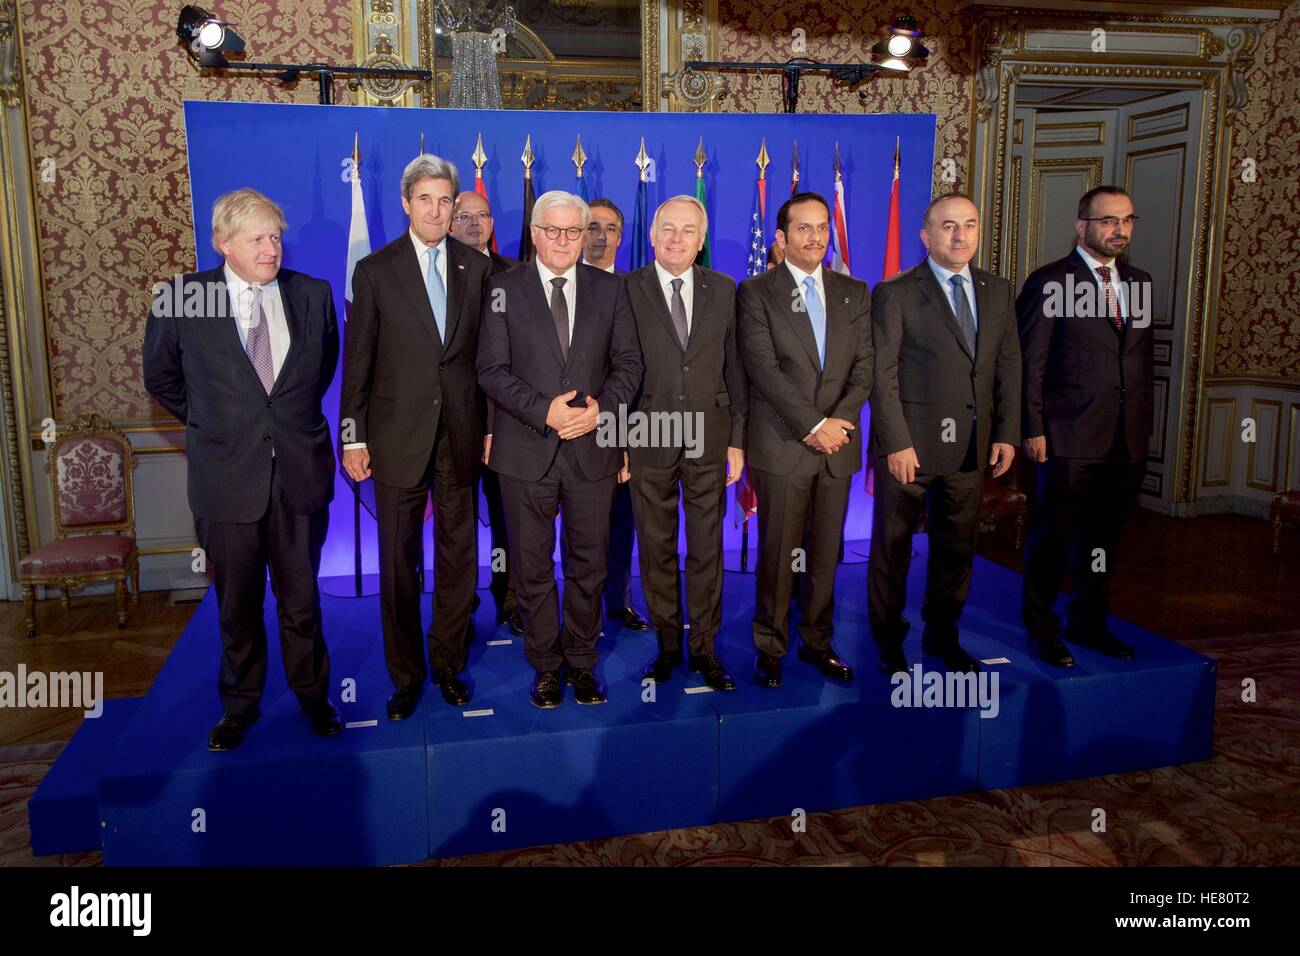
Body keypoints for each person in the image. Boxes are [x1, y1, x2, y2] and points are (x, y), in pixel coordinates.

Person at [143, 188, 342, 750]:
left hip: (298, 477)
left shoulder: (312, 295)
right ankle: (240, 706)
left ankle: (313, 697)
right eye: (257, 239)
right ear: (222, 243)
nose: (271, 248)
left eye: (276, 236)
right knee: (237, 604)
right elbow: (161, 381)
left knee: (302, 600)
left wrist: (278, 426)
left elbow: (318, 372)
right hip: (225, 479)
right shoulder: (181, 299)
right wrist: (219, 422)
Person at [477, 191, 644, 708]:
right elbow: (490, 370)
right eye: (553, 230)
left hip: (593, 447)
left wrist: (602, 411)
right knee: (531, 565)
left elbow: (630, 365)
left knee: (588, 563)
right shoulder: (502, 288)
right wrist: (544, 410)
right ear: (534, 233)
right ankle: (546, 665)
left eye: (575, 231)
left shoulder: (611, 290)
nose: (565, 240)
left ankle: (582, 660)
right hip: (525, 450)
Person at [339, 154, 491, 719]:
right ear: (406, 203)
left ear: (455, 206)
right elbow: (359, 364)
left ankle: (448, 663)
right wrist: (353, 437)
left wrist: (492, 428)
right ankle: (405, 675)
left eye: (444, 200)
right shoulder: (376, 271)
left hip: (462, 435)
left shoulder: (477, 270)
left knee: (459, 559)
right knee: (398, 562)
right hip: (394, 438)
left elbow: (490, 362)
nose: (435, 209)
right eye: (424, 199)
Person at [868, 192, 1021, 675]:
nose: (960, 235)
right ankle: (889, 640)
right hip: (910, 450)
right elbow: (883, 373)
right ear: (926, 235)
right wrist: (896, 441)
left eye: (970, 225)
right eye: (949, 226)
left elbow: (1008, 365)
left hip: (974, 448)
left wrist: (1007, 433)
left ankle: (942, 637)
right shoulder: (895, 292)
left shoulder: (998, 290)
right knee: (893, 552)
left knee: (957, 551)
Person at [738, 191, 873, 688]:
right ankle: (770, 646)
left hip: (838, 447)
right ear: (781, 237)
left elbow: (865, 369)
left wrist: (836, 423)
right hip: (783, 444)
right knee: (778, 554)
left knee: (824, 554)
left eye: (822, 228)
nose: (815, 237)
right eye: (803, 228)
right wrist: (814, 426)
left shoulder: (854, 292)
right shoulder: (755, 293)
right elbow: (764, 371)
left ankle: (818, 640)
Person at [1019, 186, 1153, 666]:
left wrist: (1142, 428)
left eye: (1127, 220)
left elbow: (1140, 365)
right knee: (1053, 538)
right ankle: (1041, 627)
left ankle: (1089, 622)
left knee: (1103, 541)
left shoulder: (1139, 282)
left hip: (1124, 440)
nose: (1120, 230)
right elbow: (1030, 364)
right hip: (1067, 437)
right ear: (1082, 227)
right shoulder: (1050, 281)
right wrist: (1032, 428)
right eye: (1108, 221)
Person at [625, 196, 747, 691]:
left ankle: (706, 648)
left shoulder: (724, 289)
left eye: (688, 231)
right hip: (646, 439)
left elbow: (736, 370)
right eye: (668, 229)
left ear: (702, 241)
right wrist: (619, 442)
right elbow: (616, 371)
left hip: (709, 438)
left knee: (706, 550)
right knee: (655, 550)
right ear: (653, 236)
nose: (677, 239)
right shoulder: (625, 290)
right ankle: (667, 646)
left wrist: (738, 442)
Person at [450, 190, 524, 636]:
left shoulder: (517, 275)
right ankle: (459, 603)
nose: (474, 223)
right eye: (464, 215)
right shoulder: (434, 275)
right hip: (450, 419)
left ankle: (511, 599)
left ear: (493, 222)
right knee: (455, 520)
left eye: (482, 215)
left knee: (509, 518)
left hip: (508, 419)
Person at [583, 197, 649, 633]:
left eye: (609, 228)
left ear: (621, 238)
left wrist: (623, 435)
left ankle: (618, 600)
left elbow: (638, 366)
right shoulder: (555, 283)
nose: (599, 236)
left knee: (620, 522)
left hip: (620, 427)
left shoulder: (635, 290)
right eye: (591, 226)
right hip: (563, 424)